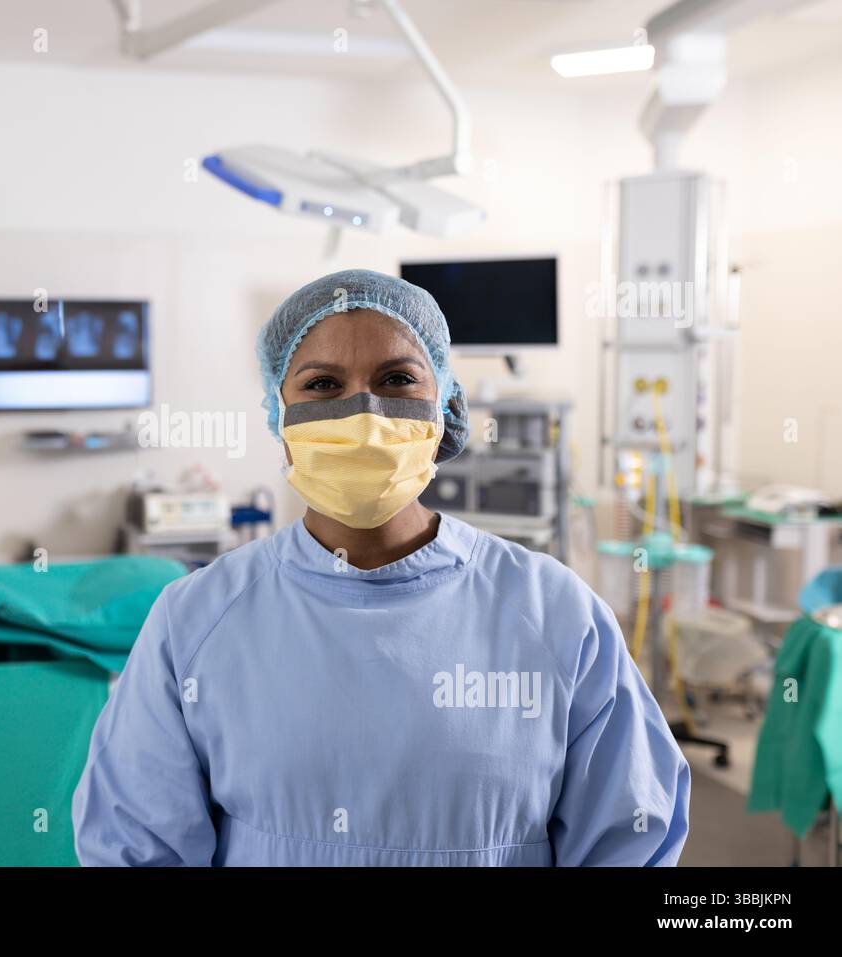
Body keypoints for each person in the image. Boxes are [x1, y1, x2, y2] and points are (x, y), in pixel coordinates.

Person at [72, 268, 690, 866]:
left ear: (444, 405)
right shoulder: (196, 621)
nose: (364, 414)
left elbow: (627, 839)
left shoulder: (555, 613)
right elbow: (137, 845)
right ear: (277, 416)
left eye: (397, 379)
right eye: (321, 386)